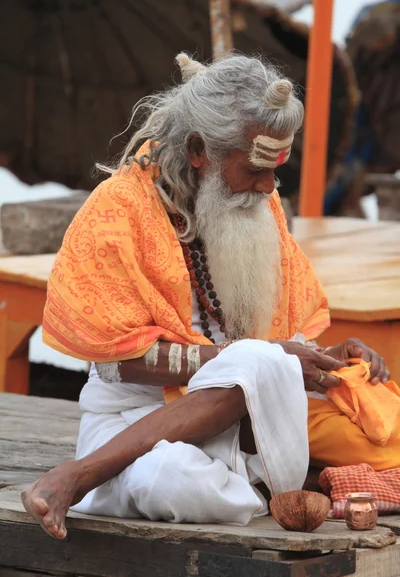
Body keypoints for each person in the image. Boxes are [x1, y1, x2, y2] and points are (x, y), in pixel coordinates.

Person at [22, 53, 396, 541]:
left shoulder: (258, 205)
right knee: (172, 480)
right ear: (199, 150)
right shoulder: (118, 211)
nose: (268, 187)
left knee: (376, 423)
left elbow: (274, 341)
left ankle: (286, 484)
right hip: (133, 421)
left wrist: (323, 359)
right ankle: (83, 474)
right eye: (256, 168)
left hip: (241, 427)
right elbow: (118, 362)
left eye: (277, 170)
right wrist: (242, 361)